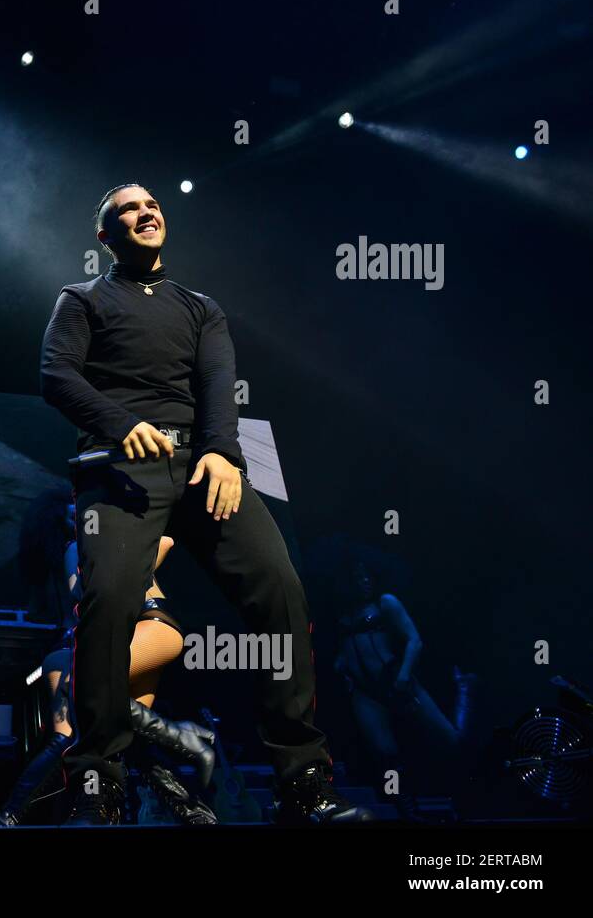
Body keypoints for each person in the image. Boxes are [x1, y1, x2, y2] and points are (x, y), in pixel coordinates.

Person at [40, 183, 370, 825]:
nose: (146, 211)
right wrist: (117, 423)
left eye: (152, 204)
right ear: (105, 235)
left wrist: (224, 454)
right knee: (107, 600)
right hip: (120, 469)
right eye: (128, 209)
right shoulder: (80, 299)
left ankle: (303, 782)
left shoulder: (200, 308)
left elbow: (219, 386)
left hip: (205, 465)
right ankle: (98, 780)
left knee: (280, 587)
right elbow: (56, 375)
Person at [0, 533, 217, 825]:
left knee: (87, 712)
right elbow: (83, 595)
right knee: (112, 735)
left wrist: (125, 565)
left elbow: (165, 543)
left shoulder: (104, 532)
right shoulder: (77, 543)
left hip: (145, 627)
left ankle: (182, 740)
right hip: (107, 637)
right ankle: (193, 808)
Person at [332, 551, 475, 816]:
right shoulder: (343, 612)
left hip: (396, 680)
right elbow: (345, 649)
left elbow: (414, 640)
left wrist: (404, 675)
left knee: (450, 740)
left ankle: (465, 690)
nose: (364, 582)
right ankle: (407, 811)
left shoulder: (386, 602)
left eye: (366, 576)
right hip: (366, 692)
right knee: (386, 754)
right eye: (357, 578)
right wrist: (342, 667)